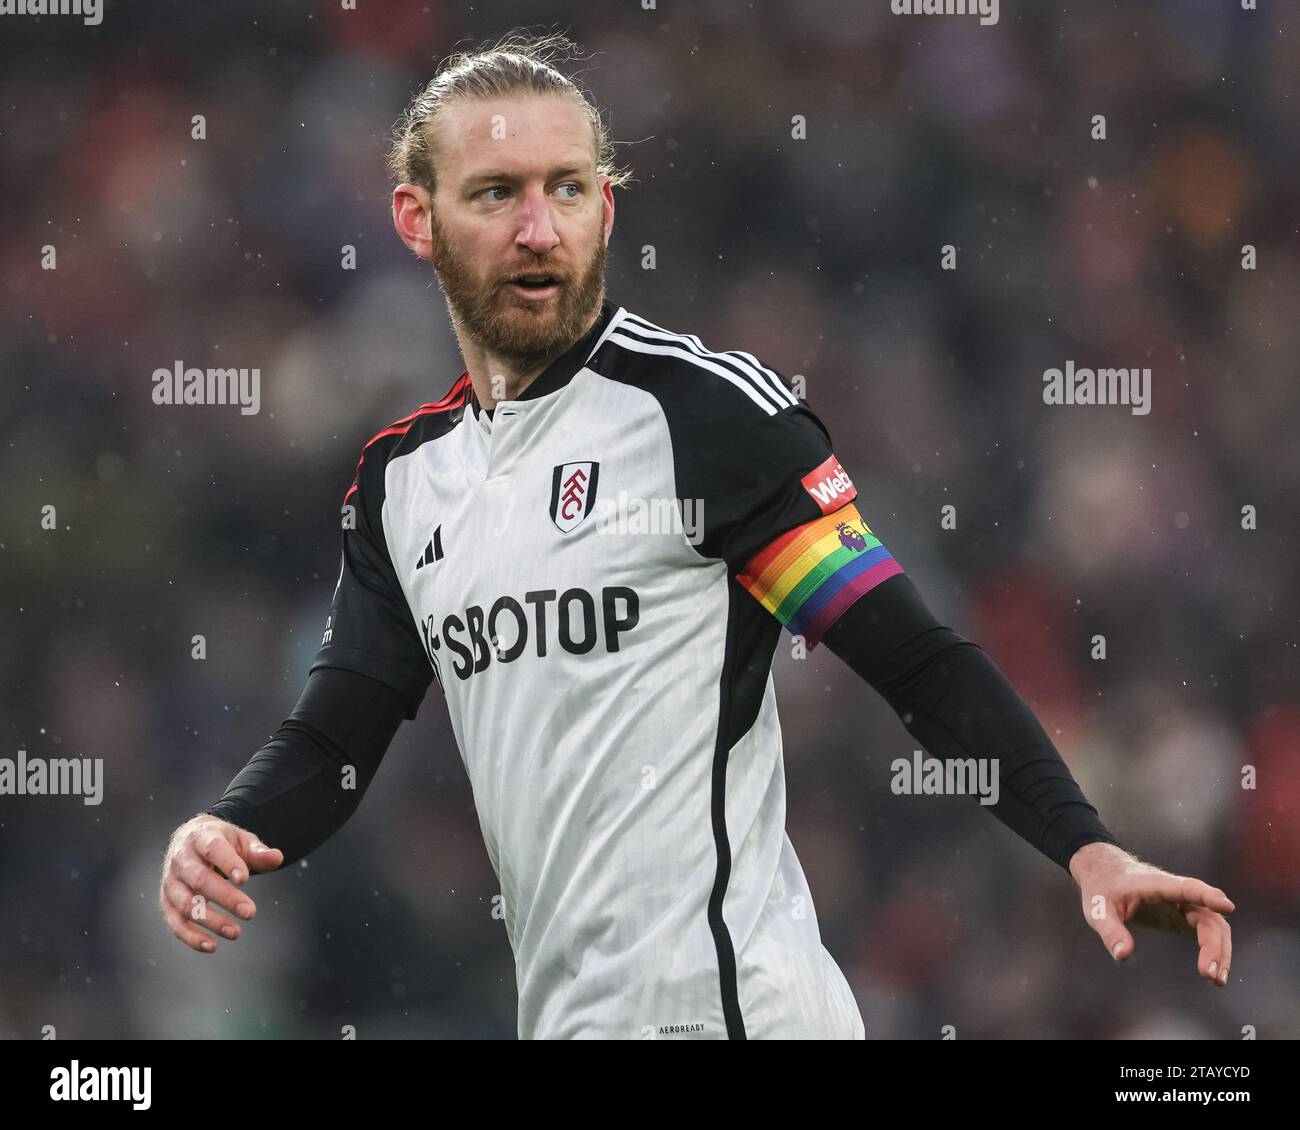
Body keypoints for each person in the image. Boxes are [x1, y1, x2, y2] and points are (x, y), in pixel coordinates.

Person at [159, 31, 1234, 1040]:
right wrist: (228, 825)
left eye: (568, 189)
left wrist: (1083, 842)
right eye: (496, 194)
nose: (541, 229)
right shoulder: (406, 481)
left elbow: (915, 656)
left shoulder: (704, 414)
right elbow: (334, 740)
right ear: (415, 218)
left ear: (606, 208)